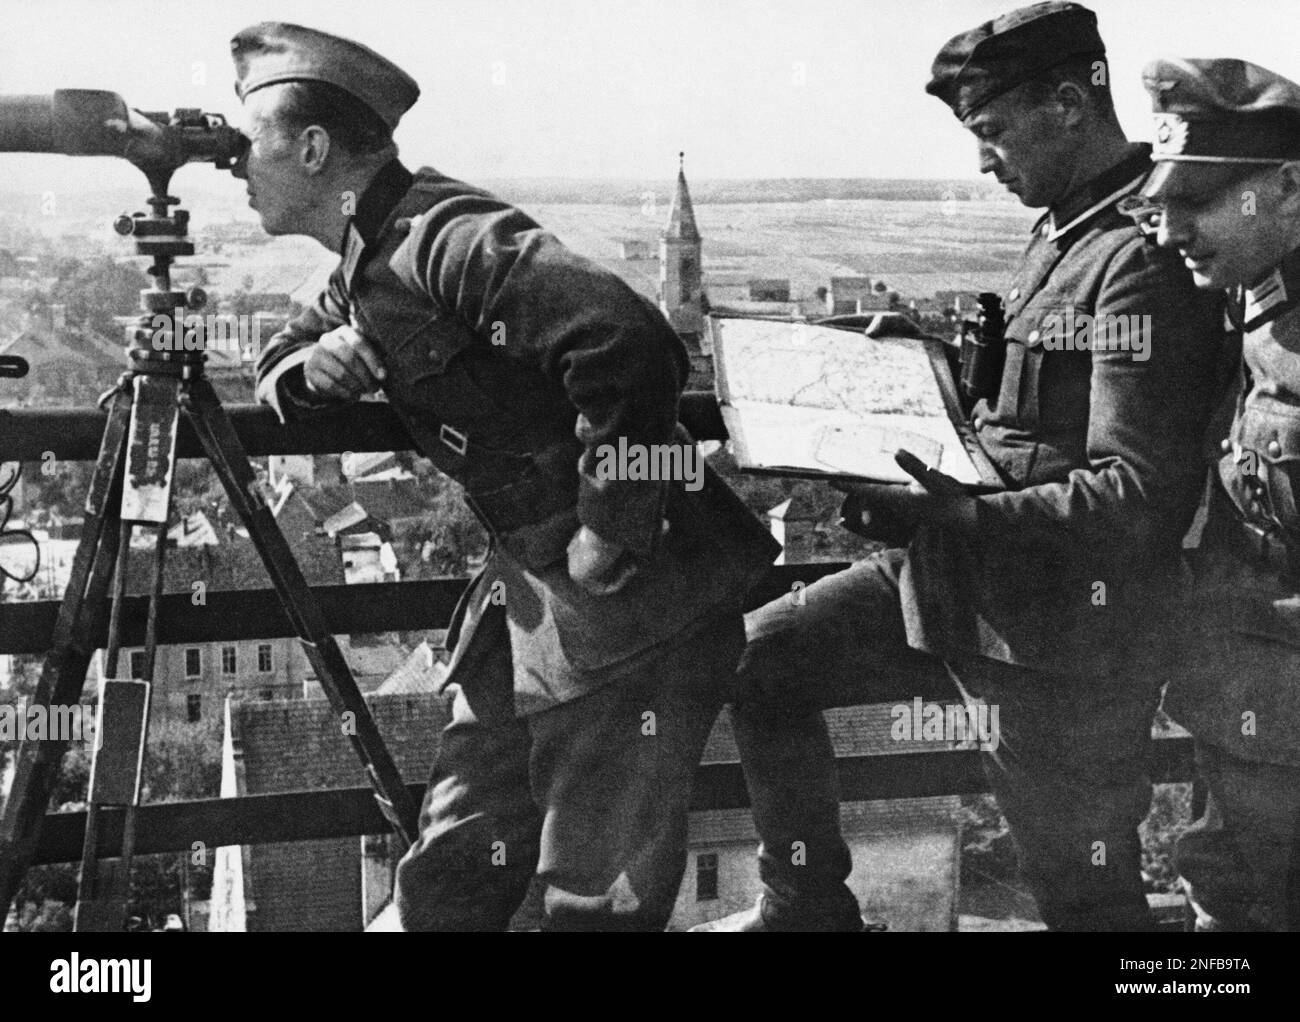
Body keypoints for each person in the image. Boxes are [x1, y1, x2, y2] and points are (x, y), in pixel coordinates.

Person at [230, 22, 779, 931]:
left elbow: (627, 340)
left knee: (595, 896)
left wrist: (611, 528)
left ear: (314, 149)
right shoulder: (372, 257)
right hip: (527, 600)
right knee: (454, 859)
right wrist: (304, 369)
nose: (238, 172)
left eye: (250, 148)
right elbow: (288, 343)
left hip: (637, 603)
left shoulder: (442, 237)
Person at [696, 2, 1228, 931]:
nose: (983, 159)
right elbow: (1029, 416)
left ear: (1068, 103)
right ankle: (804, 906)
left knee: (1082, 893)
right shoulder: (1067, 227)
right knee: (758, 661)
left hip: (1065, 631)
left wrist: (946, 516)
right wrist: (922, 365)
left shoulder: (1140, 258)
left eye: (992, 131)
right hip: (960, 575)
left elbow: (1136, 494)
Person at [1140, 56, 1300, 932]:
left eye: (1193, 204)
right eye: (1158, 207)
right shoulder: (1257, 309)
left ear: (1285, 188)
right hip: (1247, 718)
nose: (1168, 234)